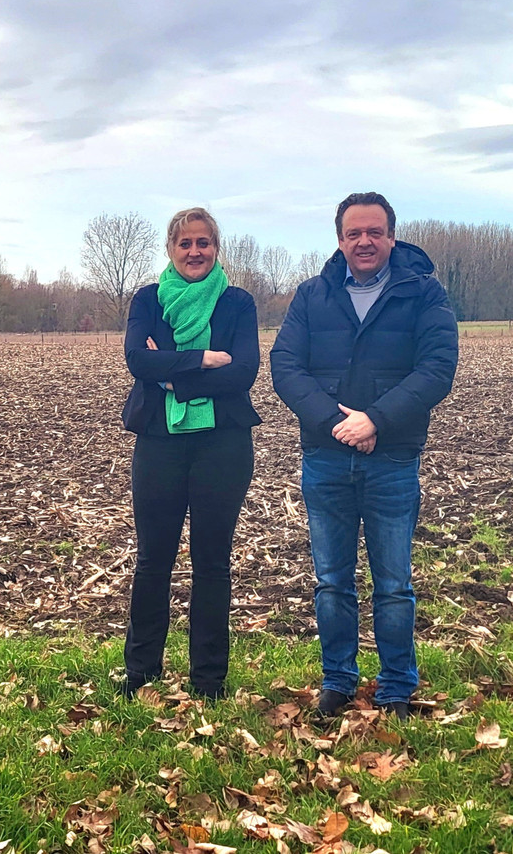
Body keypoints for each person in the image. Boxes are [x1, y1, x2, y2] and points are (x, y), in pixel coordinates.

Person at [270, 192, 458, 720]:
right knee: (332, 581)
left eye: (375, 232)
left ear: (392, 237)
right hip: (326, 458)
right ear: (340, 240)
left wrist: (375, 419)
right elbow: (285, 365)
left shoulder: (424, 294)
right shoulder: (313, 295)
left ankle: (396, 687)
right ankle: (337, 681)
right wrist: (339, 424)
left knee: (393, 585)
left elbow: (437, 368)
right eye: (354, 233)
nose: (364, 241)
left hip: (393, 460)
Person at [120, 207, 261, 700]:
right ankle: (141, 673)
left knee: (212, 563)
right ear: (171, 249)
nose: (195, 251)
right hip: (158, 442)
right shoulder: (148, 300)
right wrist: (202, 359)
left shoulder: (237, 302)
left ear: (216, 248)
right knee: (153, 560)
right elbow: (137, 359)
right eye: (185, 243)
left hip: (223, 444)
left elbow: (243, 372)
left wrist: (170, 374)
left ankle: (209, 680)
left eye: (203, 242)